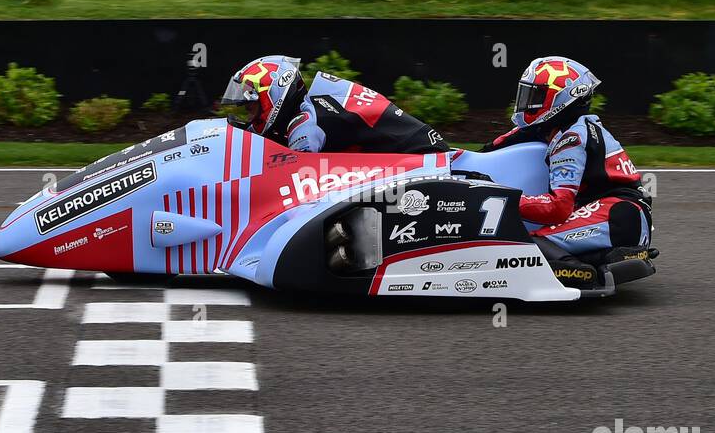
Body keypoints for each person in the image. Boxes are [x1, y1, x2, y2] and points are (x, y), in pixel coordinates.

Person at [485, 57, 651, 274]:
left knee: (525, 247)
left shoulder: (571, 138)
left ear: (560, 99)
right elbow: (490, 149)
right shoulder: (558, 126)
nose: (527, 102)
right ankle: (599, 259)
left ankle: (581, 274)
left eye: (536, 96)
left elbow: (558, 207)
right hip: (617, 212)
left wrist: (503, 199)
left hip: (619, 214)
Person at [220, 55, 449, 154]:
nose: (250, 116)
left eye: (252, 108)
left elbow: (295, 177)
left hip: (420, 160)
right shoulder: (310, 109)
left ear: (274, 95)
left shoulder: (305, 126)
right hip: (412, 154)